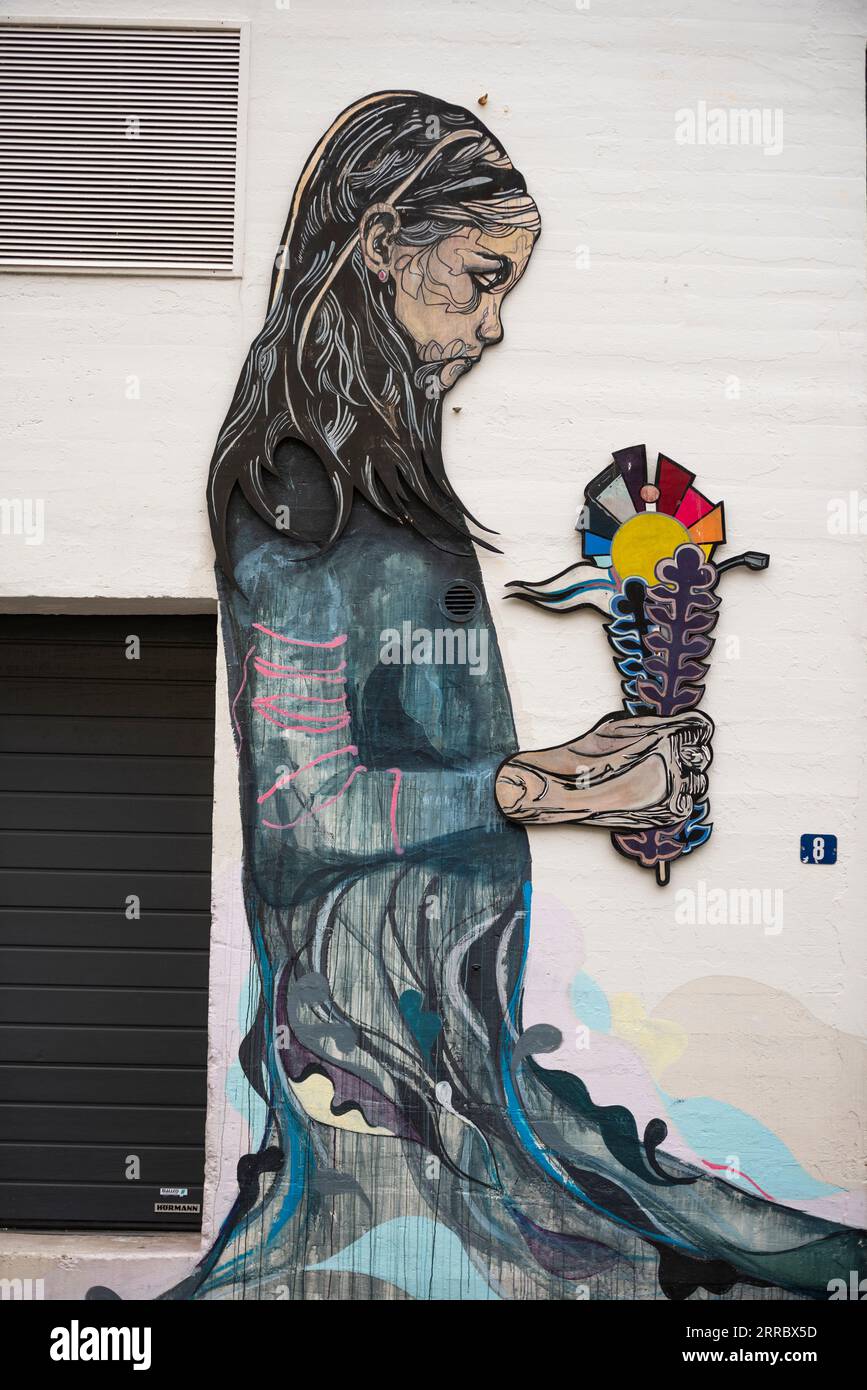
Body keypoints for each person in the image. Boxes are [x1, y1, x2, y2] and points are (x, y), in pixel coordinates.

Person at [166, 91, 863, 1301]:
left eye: (509, 292)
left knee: (764, 1250)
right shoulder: (299, 481)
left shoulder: (379, 480)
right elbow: (308, 800)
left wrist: (580, 770)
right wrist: (545, 782)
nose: (490, 325)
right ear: (383, 245)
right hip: (380, 1077)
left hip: (461, 1046)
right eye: (479, 278)